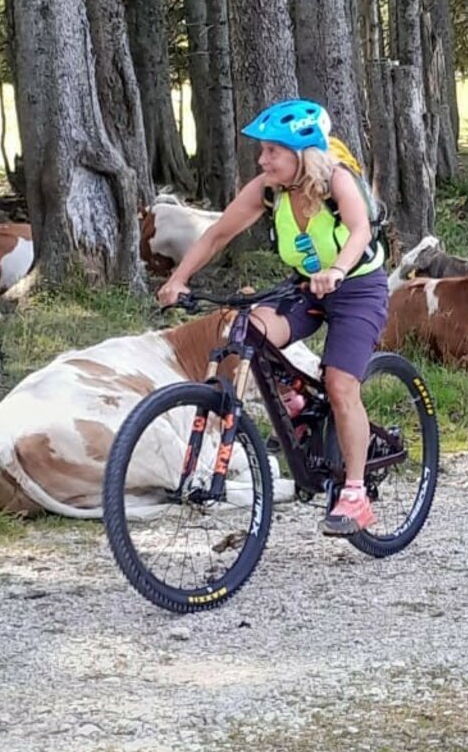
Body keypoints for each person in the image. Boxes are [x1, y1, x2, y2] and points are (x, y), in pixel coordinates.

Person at [157, 100, 389, 534]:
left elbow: (359, 230)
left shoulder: (337, 180)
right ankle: (294, 397)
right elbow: (219, 233)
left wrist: (337, 270)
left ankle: (355, 494)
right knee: (251, 330)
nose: (262, 160)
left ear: (301, 154)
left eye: (272, 152)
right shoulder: (270, 188)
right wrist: (179, 278)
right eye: (262, 151)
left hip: (357, 287)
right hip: (307, 285)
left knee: (340, 383)